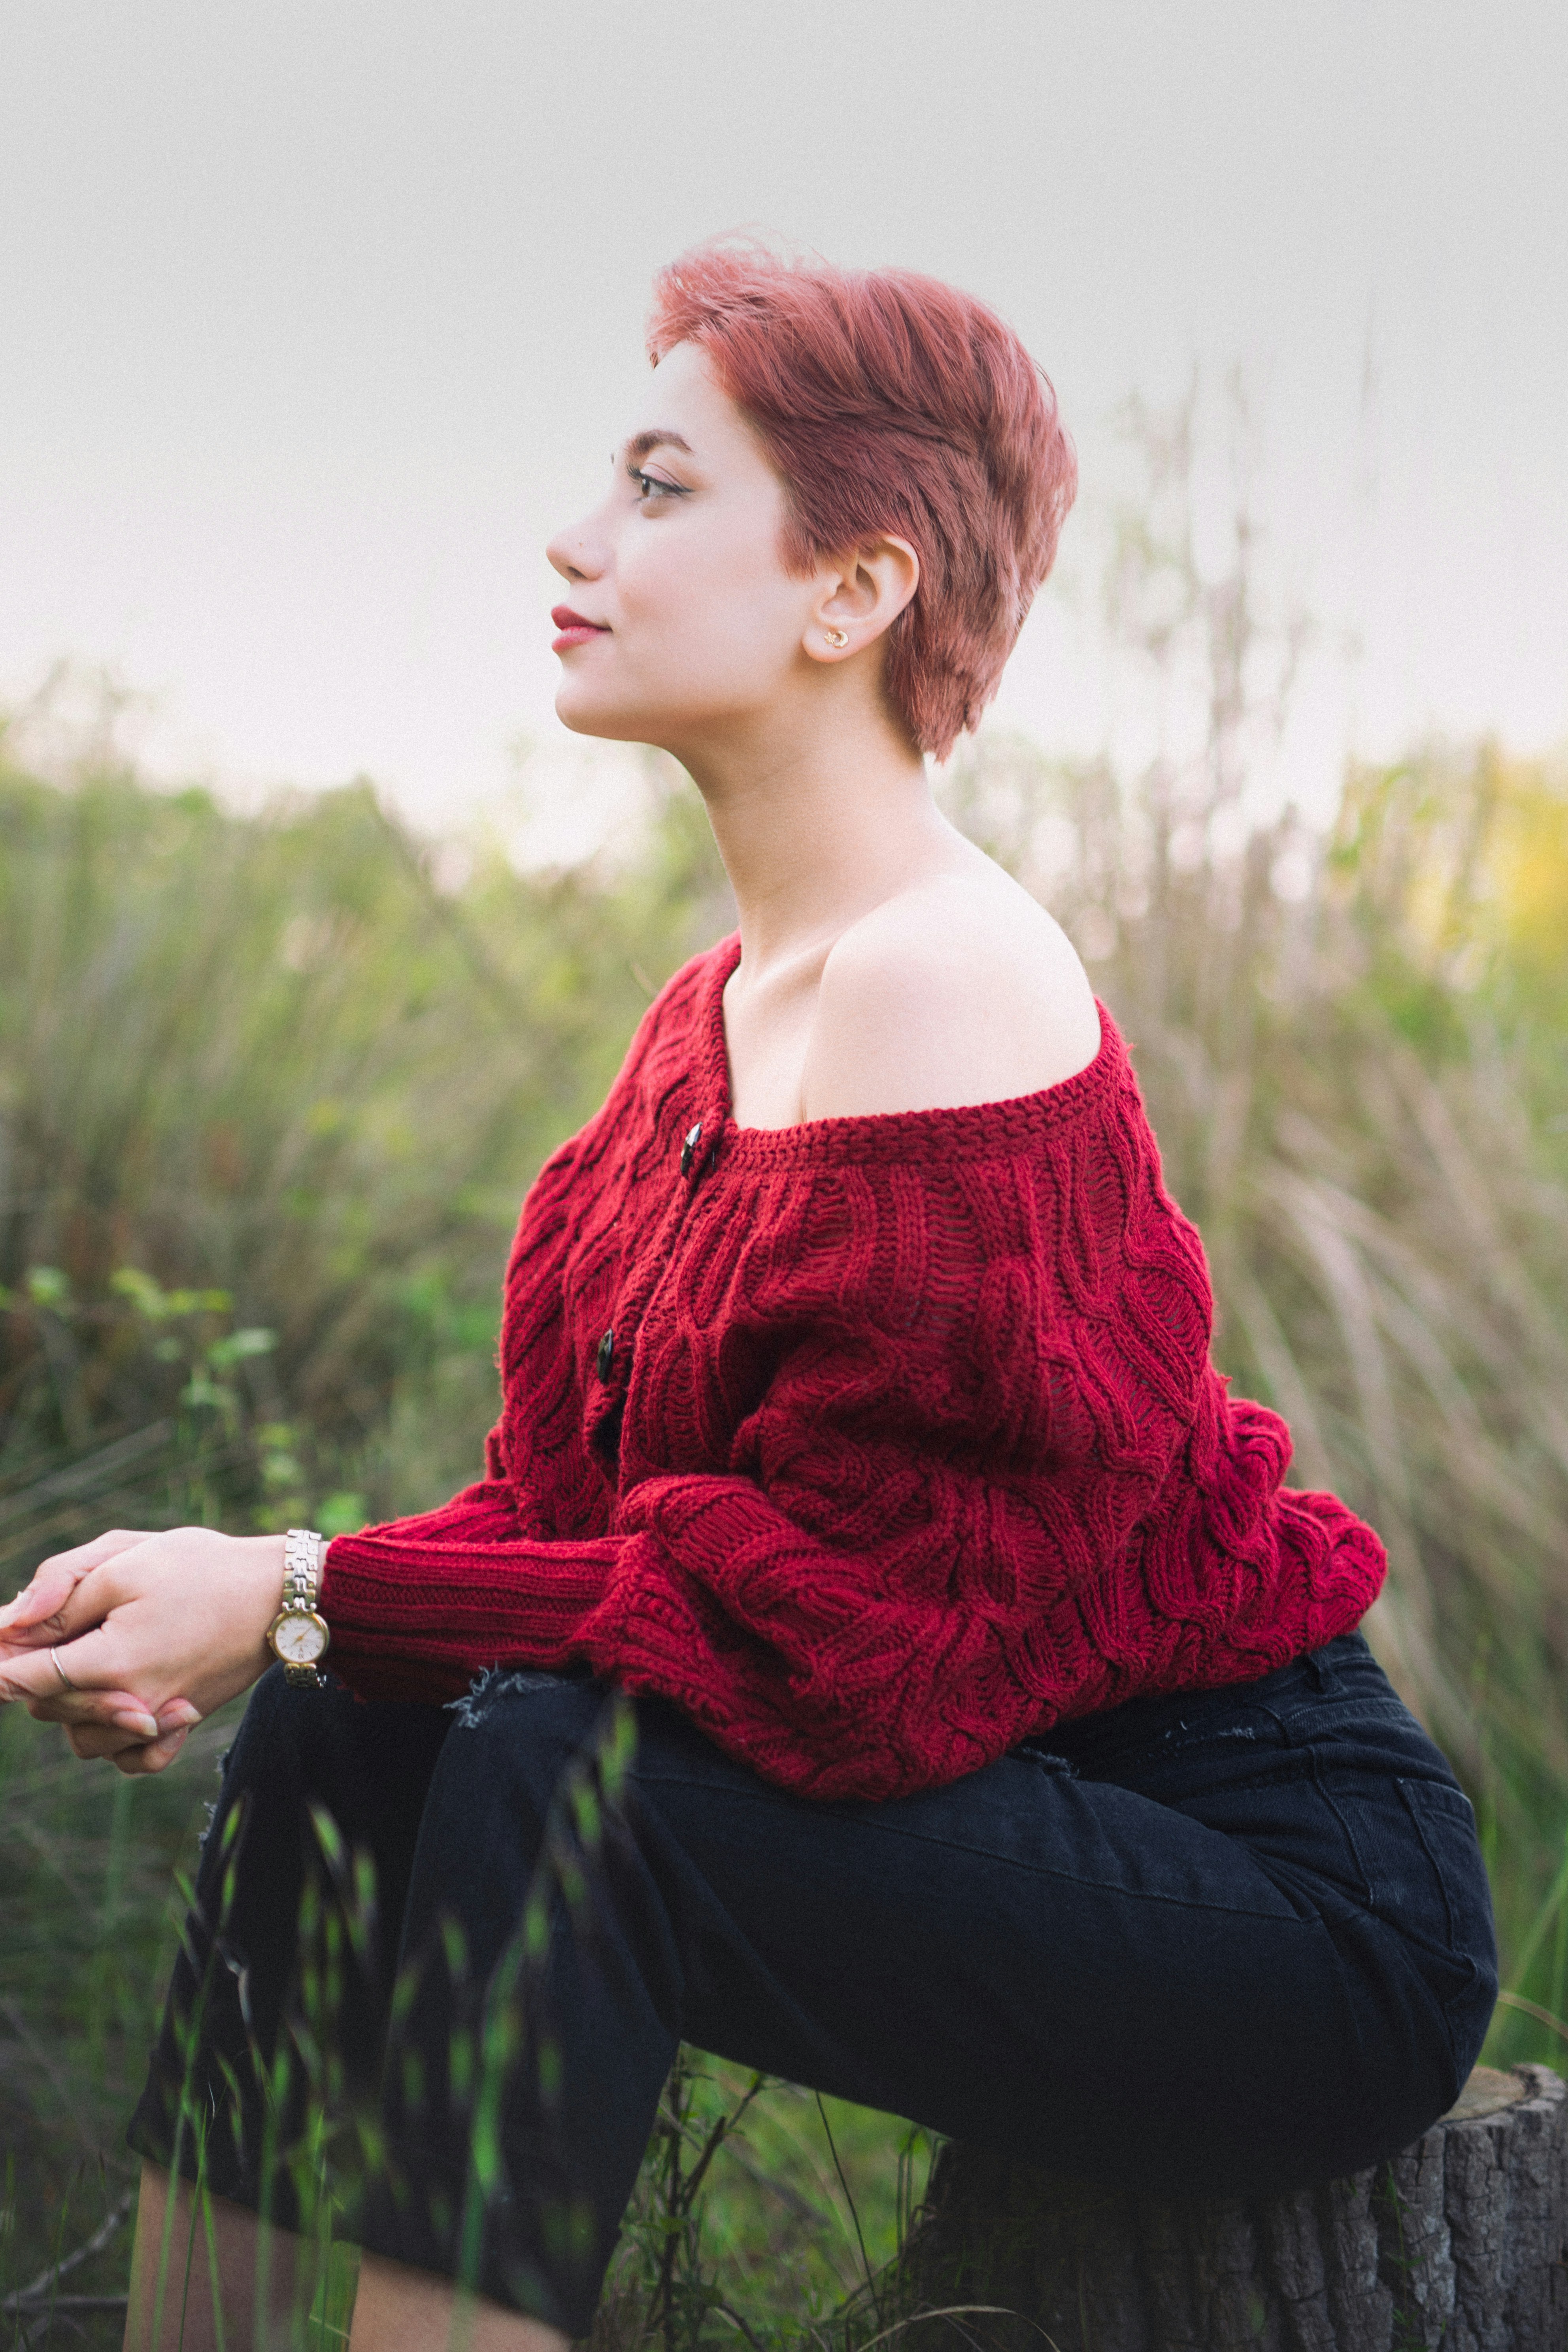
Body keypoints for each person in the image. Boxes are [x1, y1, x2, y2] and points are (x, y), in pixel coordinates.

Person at [0, 241, 1496, 2352]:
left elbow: (859, 1664)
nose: (575, 536)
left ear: (853, 590)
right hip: (1001, 1816)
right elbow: (564, 1538)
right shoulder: (713, 1021)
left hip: (1274, 1909)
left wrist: (296, 1578)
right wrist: (267, 1612)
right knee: (360, 1712)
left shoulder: (944, 985)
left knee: (551, 1763)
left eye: (662, 486)